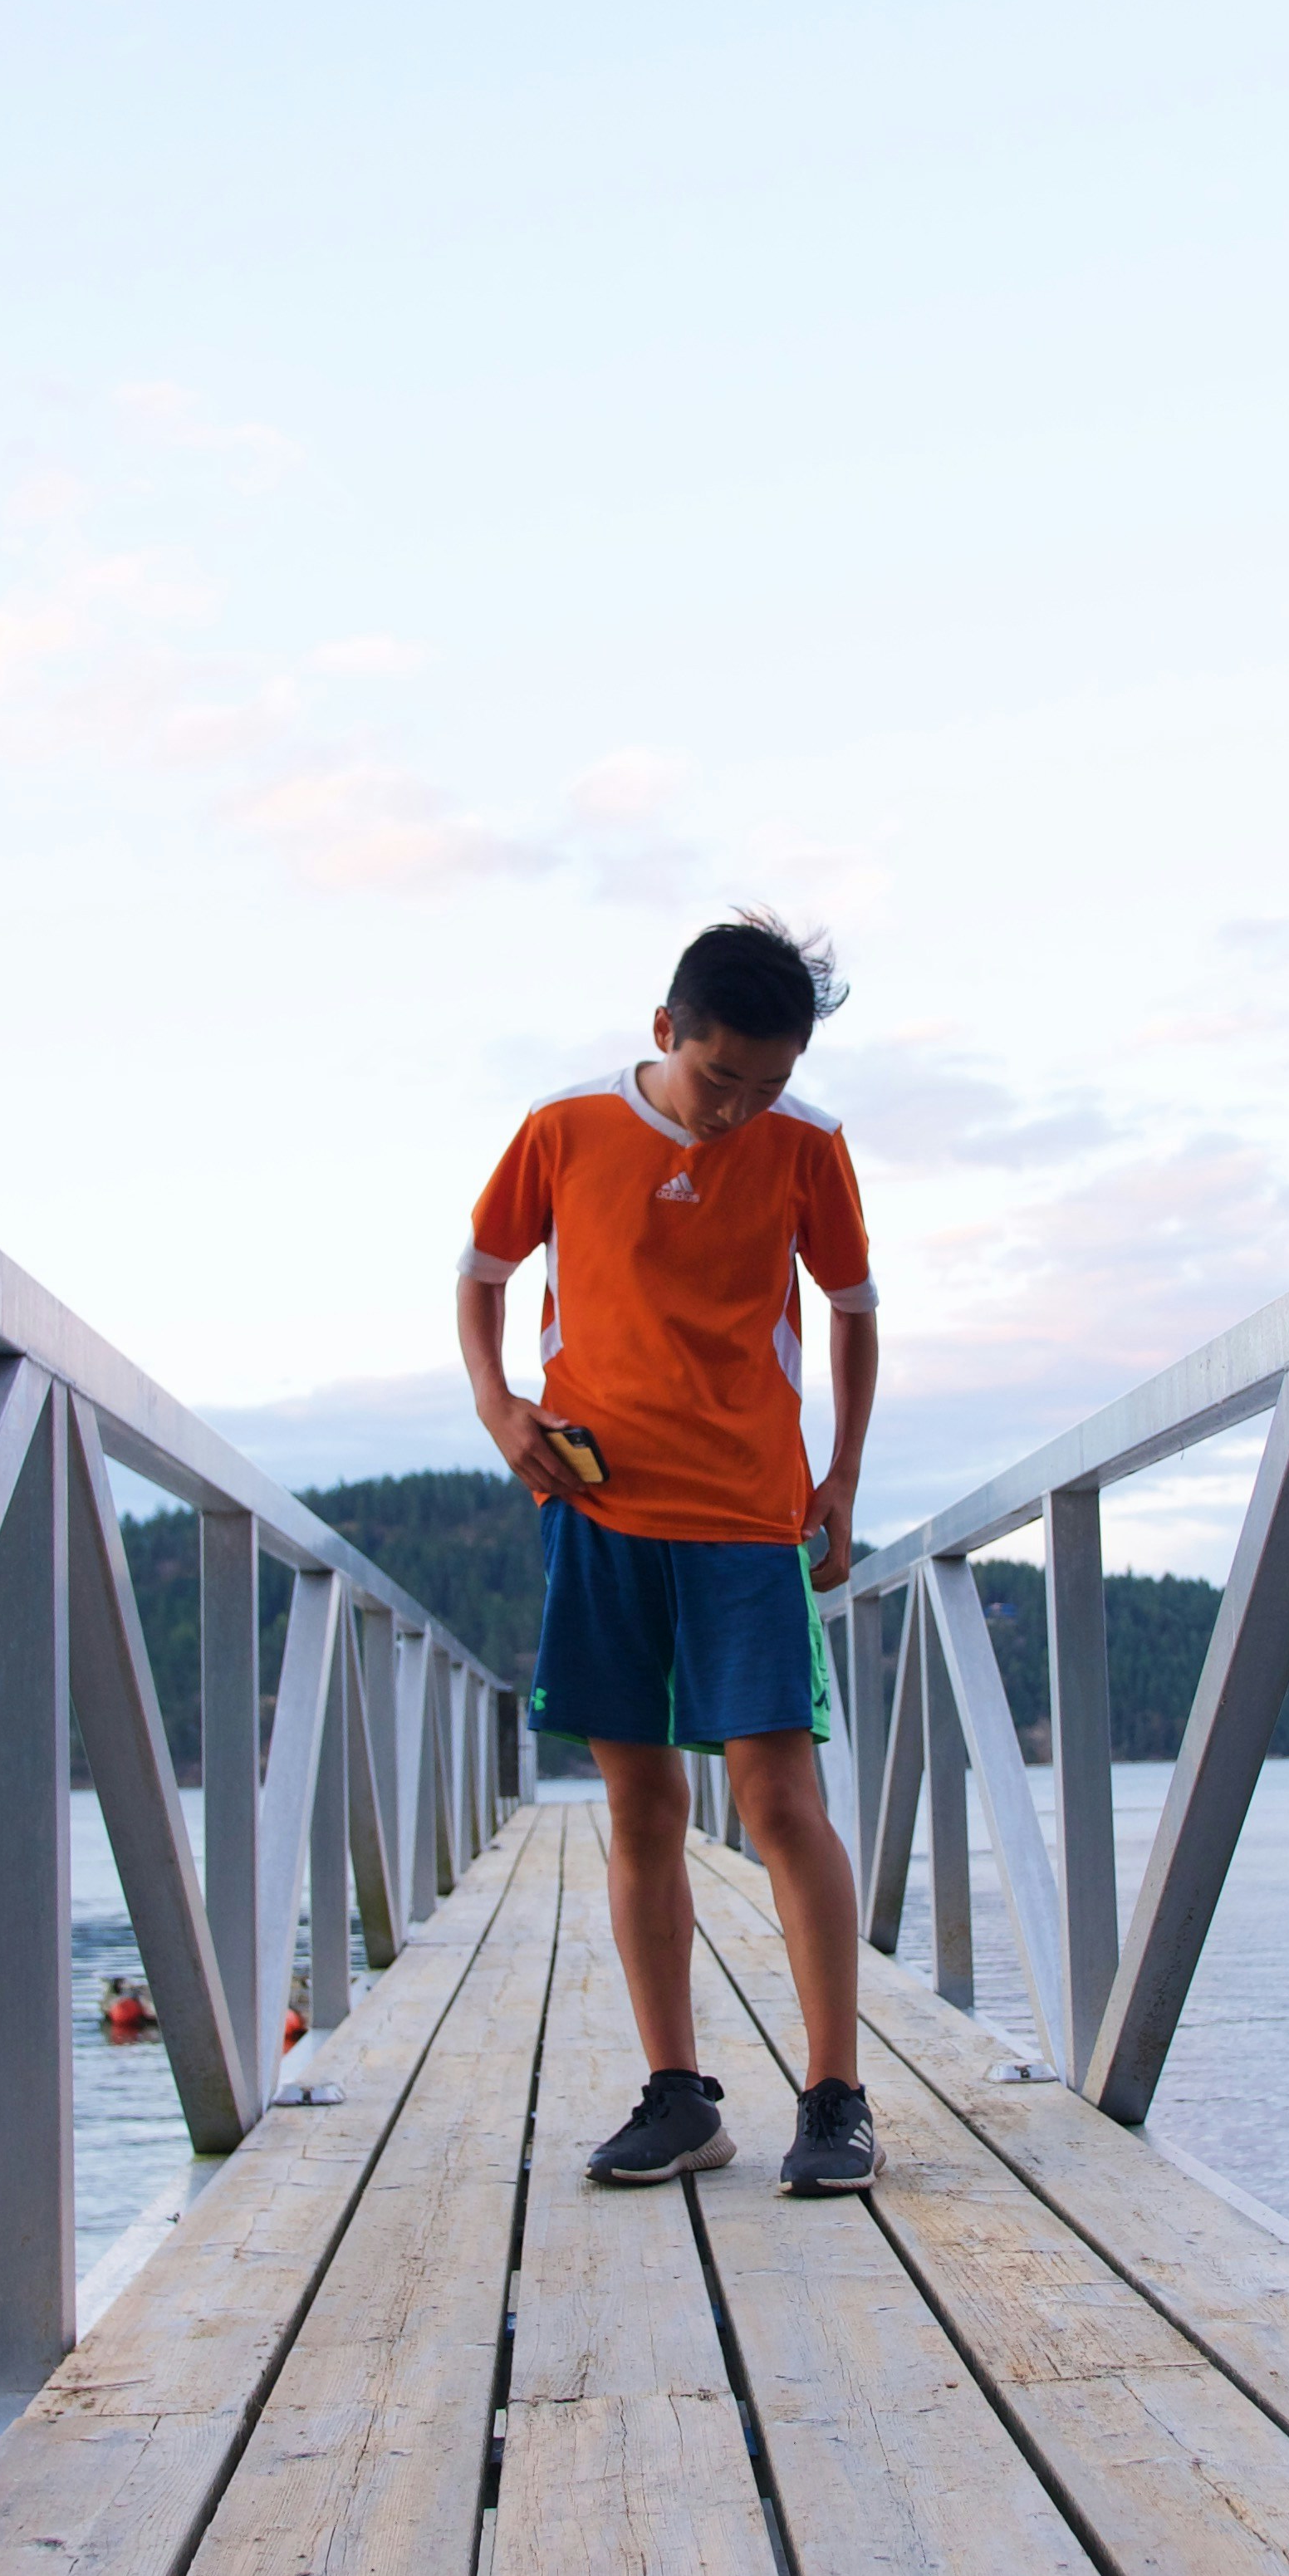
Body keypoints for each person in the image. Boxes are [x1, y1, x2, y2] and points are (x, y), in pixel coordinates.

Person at [455, 911, 882, 2194]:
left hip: (749, 1513)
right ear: (664, 1032)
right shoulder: (564, 1128)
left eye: (769, 1086)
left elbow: (856, 1312)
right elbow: (480, 1274)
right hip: (599, 1508)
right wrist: (497, 1405)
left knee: (780, 1804)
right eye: (720, 1080)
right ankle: (678, 2095)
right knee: (640, 1804)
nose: (739, 1111)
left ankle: (835, 2097)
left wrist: (842, 1473)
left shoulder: (808, 1148)